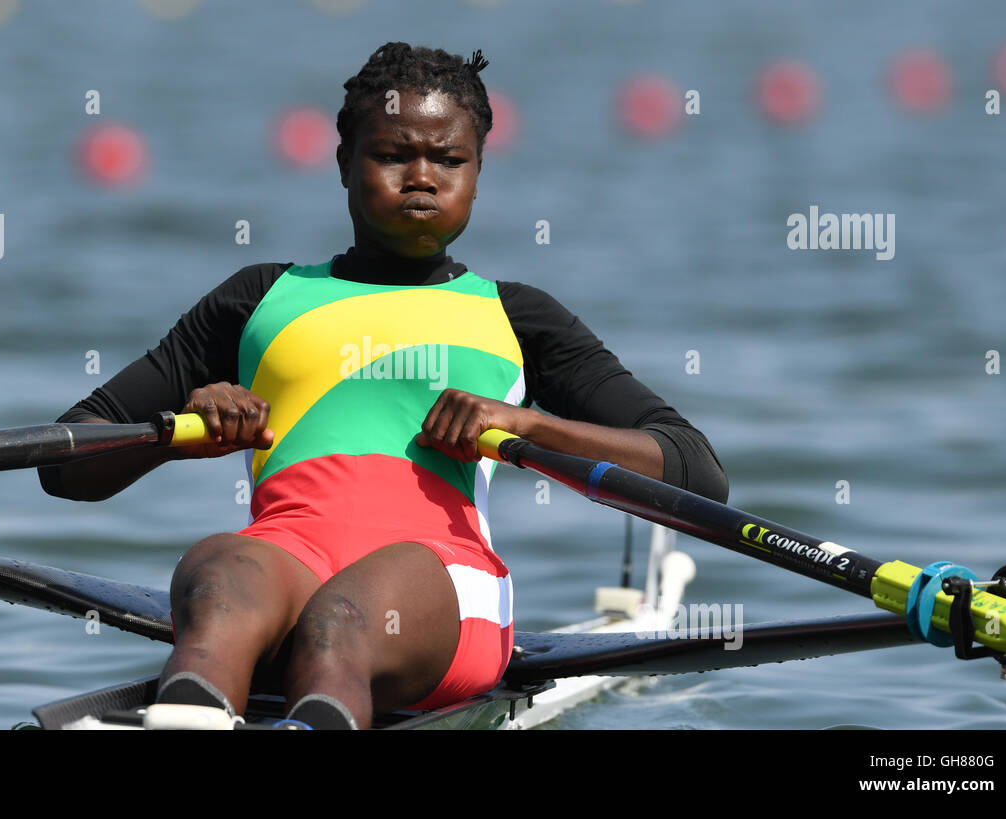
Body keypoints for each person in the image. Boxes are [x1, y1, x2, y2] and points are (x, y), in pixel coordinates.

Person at [39, 42, 728, 729]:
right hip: (286, 566)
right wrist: (176, 432)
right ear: (344, 165)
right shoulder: (255, 299)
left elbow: (694, 470)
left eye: (449, 160)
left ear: (479, 173)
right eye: (394, 156)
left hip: (444, 586)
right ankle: (192, 709)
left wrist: (527, 425)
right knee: (218, 572)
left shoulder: (518, 317)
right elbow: (65, 465)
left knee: (341, 619)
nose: (421, 178)